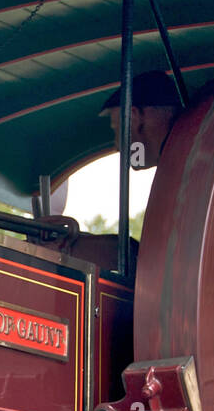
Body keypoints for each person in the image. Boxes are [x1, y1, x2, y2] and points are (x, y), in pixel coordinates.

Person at [37, 70, 184, 270]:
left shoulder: (186, 173)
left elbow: (148, 262)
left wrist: (68, 249)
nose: (117, 145)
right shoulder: (182, 168)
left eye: (117, 129)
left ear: (133, 117)